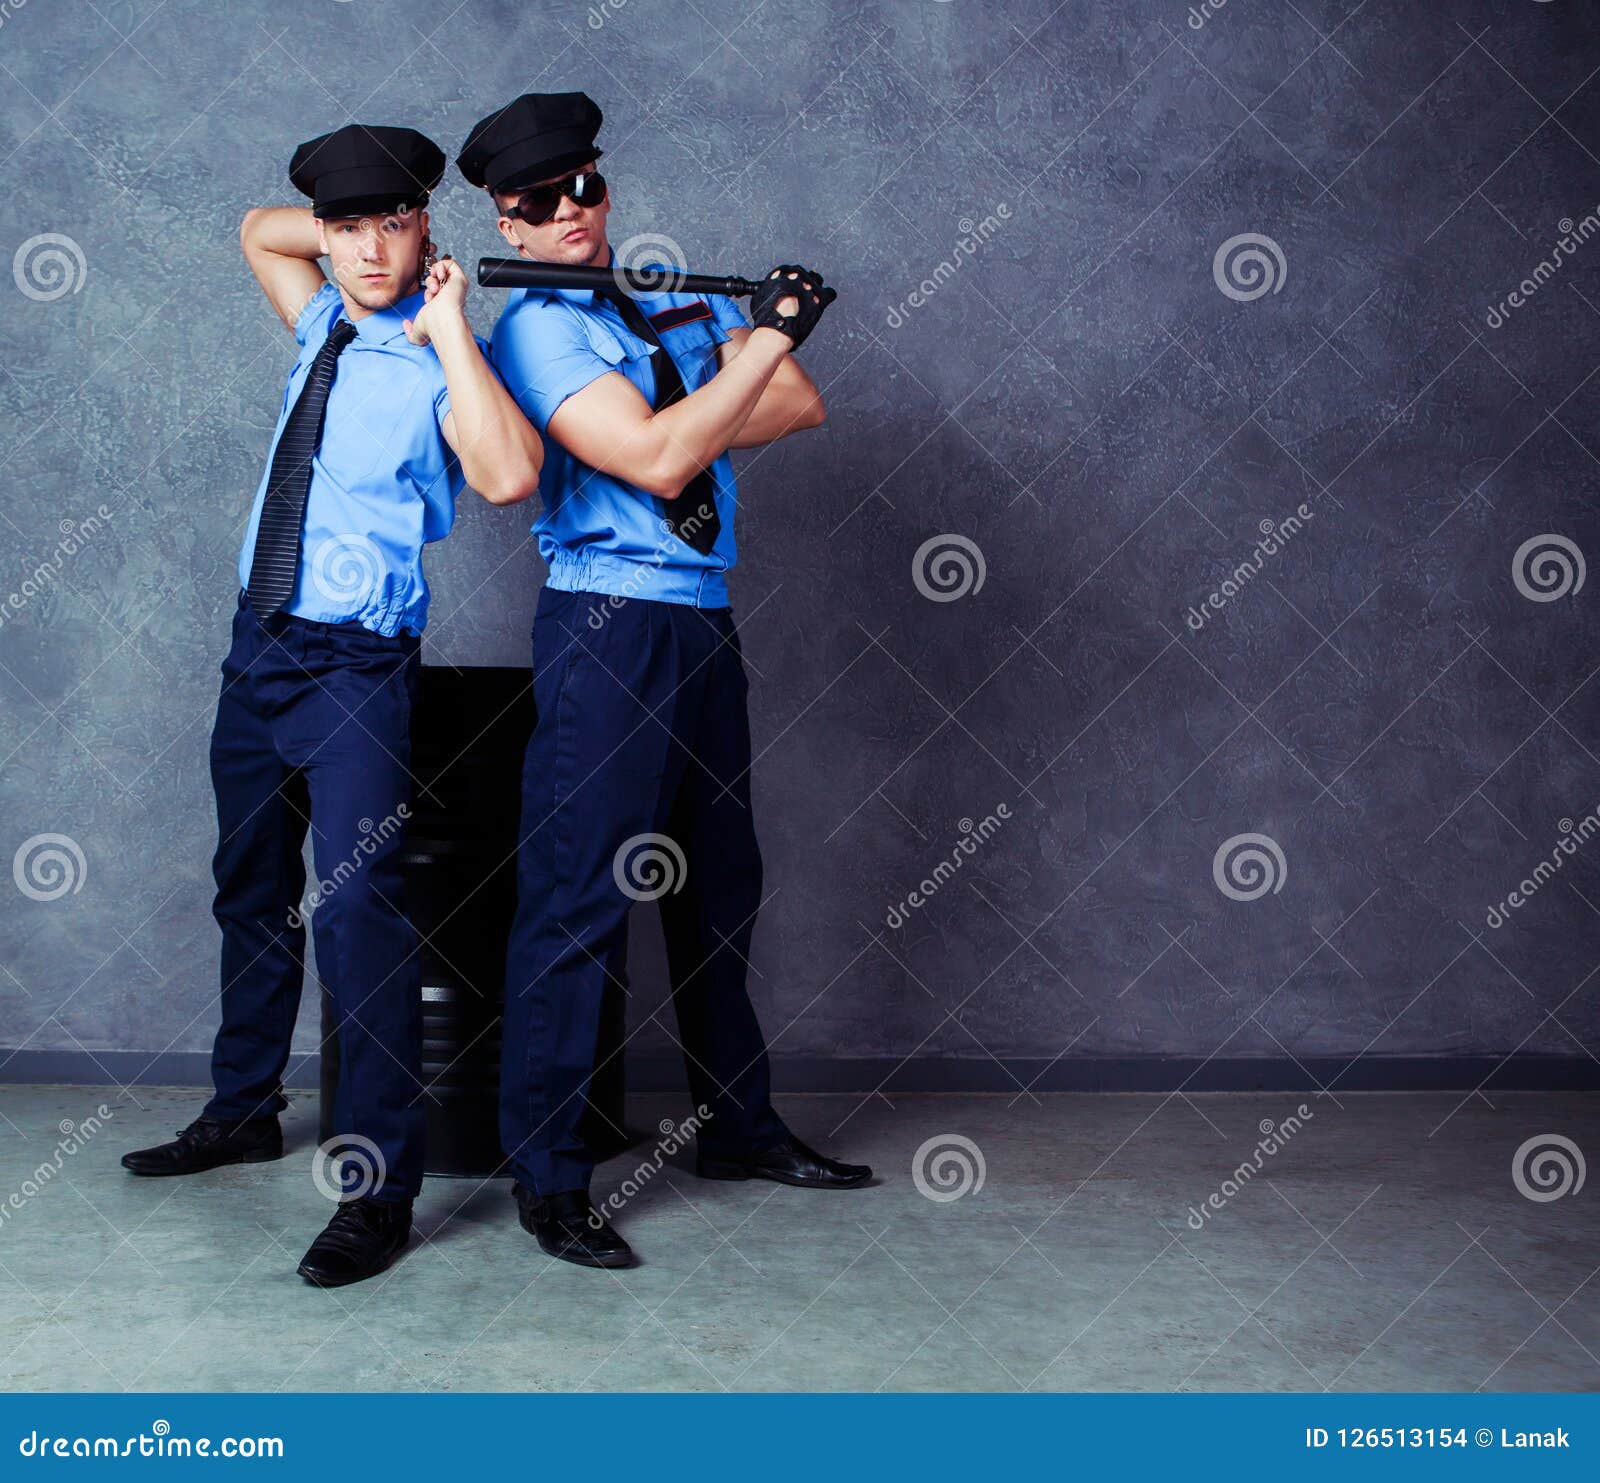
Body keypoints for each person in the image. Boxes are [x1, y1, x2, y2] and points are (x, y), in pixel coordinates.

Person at [121, 123, 543, 1288]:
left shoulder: (444, 361)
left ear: (427, 228)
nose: (364, 249)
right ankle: (241, 1110)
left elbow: (509, 475)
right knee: (250, 885)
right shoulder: (321, 323)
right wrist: (348, 225)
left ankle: (377, 1191)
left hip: (355, 669)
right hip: (255, 649)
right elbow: (258, 232)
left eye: (390, 224)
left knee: (359, 913)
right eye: (347, 228)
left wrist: (445, 322)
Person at [457, 91, 871, 1270]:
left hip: (700, 620)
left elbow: (796, 407)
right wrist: (761, 344)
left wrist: (739, 367)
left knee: (719, 887)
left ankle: (737, 1128)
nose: (569, 212)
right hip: (608, 625)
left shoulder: (661, 296)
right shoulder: (536, 330)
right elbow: (655, 458)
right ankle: (549, 1177)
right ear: (508, 223)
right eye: (538, 202)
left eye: (583, 186)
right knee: (579, 898)